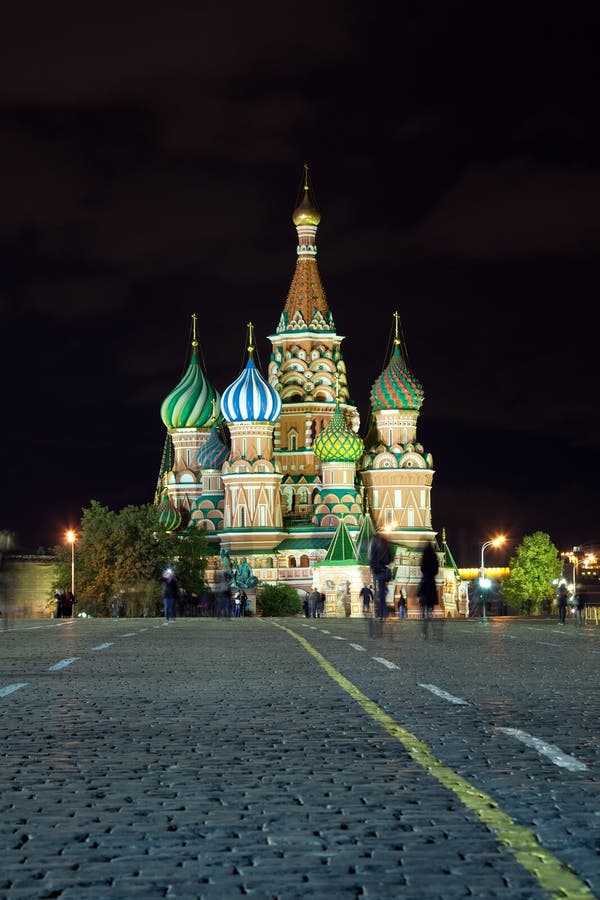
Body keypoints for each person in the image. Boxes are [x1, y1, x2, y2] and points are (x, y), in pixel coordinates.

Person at [369, 533, 394, 619]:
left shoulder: (375, 543)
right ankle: (383, 612)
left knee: (379, 590)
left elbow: (372, 556)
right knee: (382, 589)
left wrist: (372, 566)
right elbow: (391, 557)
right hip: (385, 570)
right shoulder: (386, 543)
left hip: (378, 570)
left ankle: (380, 612)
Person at [418, 542, 439, 638]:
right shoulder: (434, 556)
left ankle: (424, 631)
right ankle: (434, 631)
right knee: (430, 608)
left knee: (424, 606)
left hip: (425, 582)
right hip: (431, 583)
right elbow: (436, 570)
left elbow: (422, 568)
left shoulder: (424, 556)